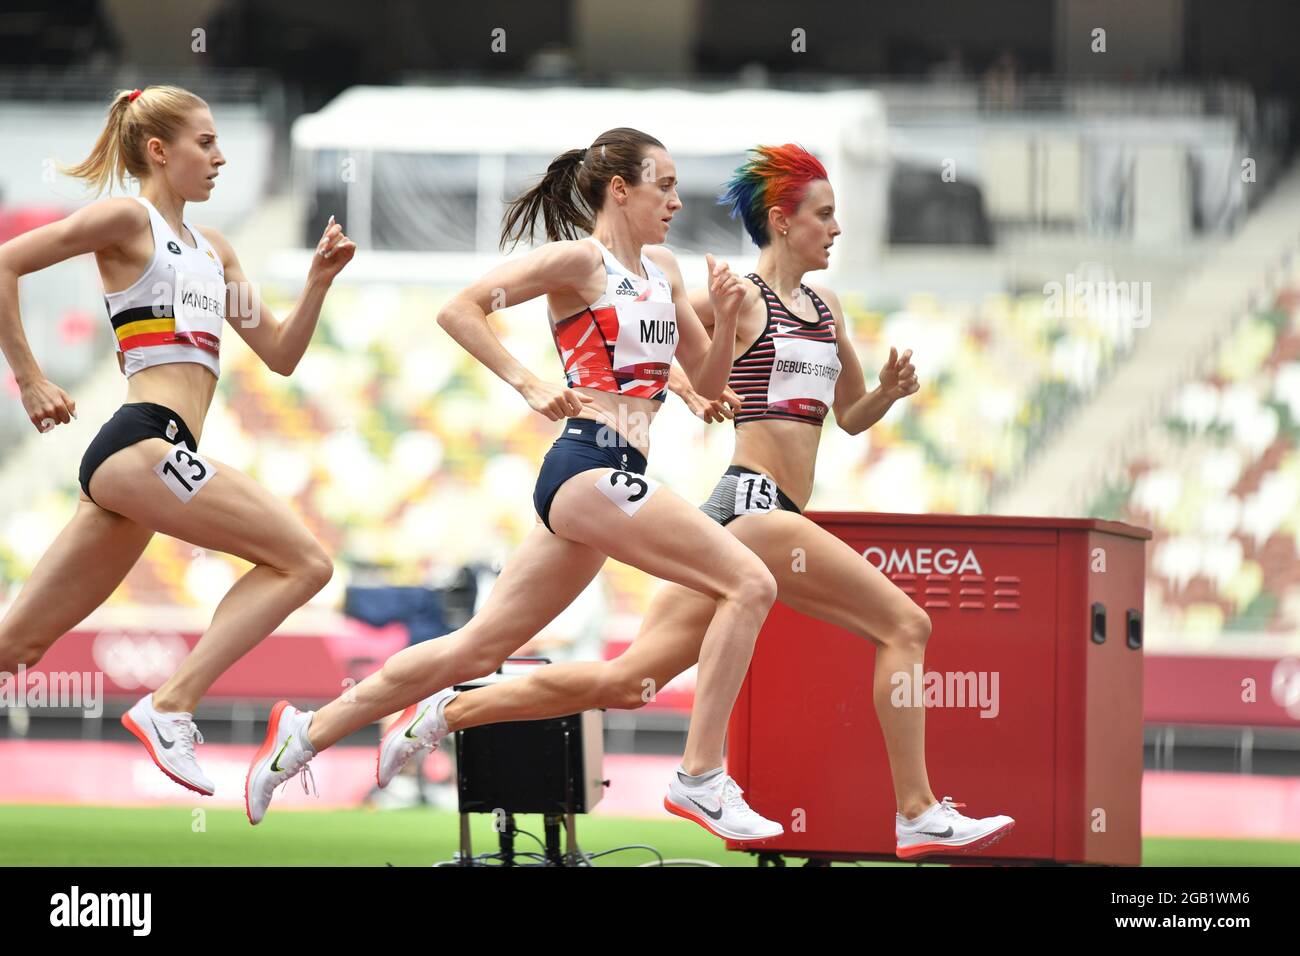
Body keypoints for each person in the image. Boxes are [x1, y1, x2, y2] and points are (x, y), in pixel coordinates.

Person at [362, 144, 1015, 859]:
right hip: (752, 505)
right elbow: (649, 324)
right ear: (782, 221)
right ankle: (912, 810)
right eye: (825, 216)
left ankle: (452, 711)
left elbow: (850, 415)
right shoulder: (735, 293)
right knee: (906, 625)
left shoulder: (827, 309)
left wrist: (887, 392)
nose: (836, 230)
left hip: (757, 514)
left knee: (628, 682)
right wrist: (675, 381)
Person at [246, 128, 785, 844]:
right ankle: (700, 777)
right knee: (749, 584)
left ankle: (303, 734)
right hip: (587, 466)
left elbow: (708, 379)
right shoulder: (576, 261)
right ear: (619, 189)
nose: (678, 202)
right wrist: (528, 381)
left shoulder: (663, 269)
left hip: (615, 478)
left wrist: (708, 360)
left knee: (472, 651)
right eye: (665, 185)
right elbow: (460, 308)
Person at [0, 86, 355, 796]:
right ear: (159, 151)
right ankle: (170, 705)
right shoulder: (126, 219)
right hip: (143, 443)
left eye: (221, 143)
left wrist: (316, 282)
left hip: (149, 464)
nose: (220, 157)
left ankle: (170, 705)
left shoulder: (216, 251)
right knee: (306, 563)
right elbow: (5, 262)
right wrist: (31, 379)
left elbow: (279, 352)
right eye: (206, 143)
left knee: (17, 646)